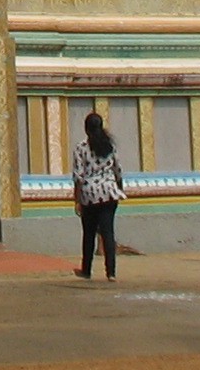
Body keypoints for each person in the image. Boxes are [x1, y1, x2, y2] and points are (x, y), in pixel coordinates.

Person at [71, 110, 125, 279]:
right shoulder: (109, 146)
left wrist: (77, 199)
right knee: (108, 232)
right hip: (109, 192)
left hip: (89, 194)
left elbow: (78, 176)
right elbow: (118, 170)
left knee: (89, 233)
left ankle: (86, 270)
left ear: (86, 129)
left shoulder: (81, 148)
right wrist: (119, 189)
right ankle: (111, 272)